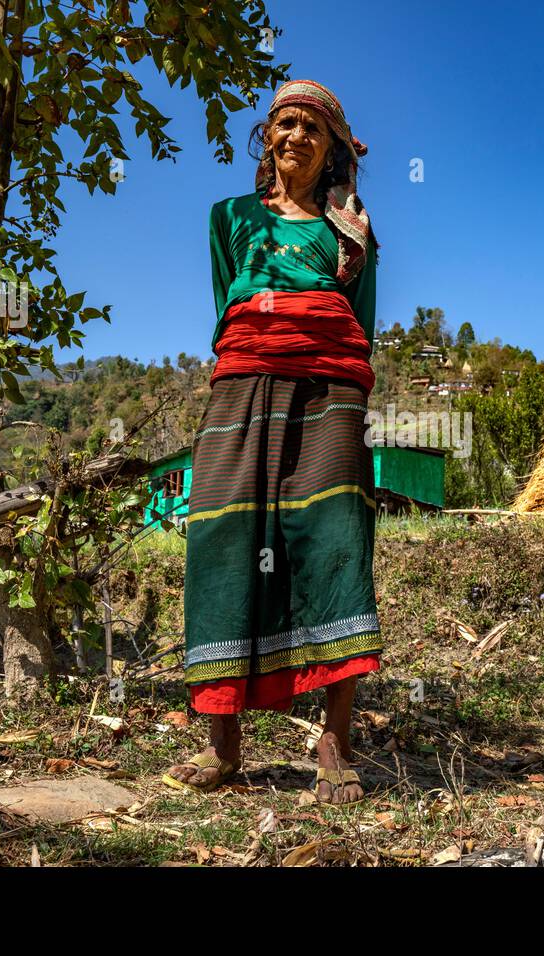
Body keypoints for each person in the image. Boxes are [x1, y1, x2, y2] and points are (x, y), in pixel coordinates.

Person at [162, 80, 380, 805]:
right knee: (224, 541)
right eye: (283, 123)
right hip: (245, 385)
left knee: (332, 540)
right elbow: (228, 304)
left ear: (335, 149)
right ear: (267, 138)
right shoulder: (229, 218)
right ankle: (222, 744)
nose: (295, 136)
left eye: (311, 127)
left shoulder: (349, 233)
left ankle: (334, 744)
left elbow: (362, 324)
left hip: (329, 391)